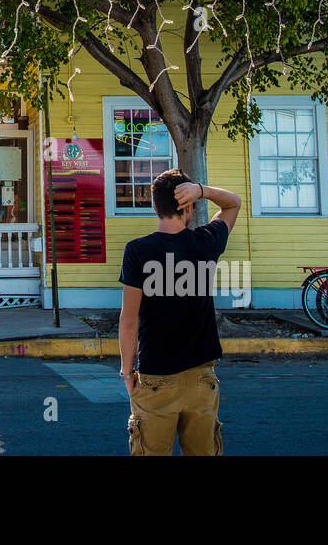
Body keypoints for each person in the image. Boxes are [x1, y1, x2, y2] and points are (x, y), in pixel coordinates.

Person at [118, 170, 241, 456]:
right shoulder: (206, 241)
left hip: (156, 377)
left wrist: (126, 372)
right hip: (202, 377)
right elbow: (233, 203)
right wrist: (201, 190)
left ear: (154, 206)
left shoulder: (137, 250)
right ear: (188, 206)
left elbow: (129, 320)